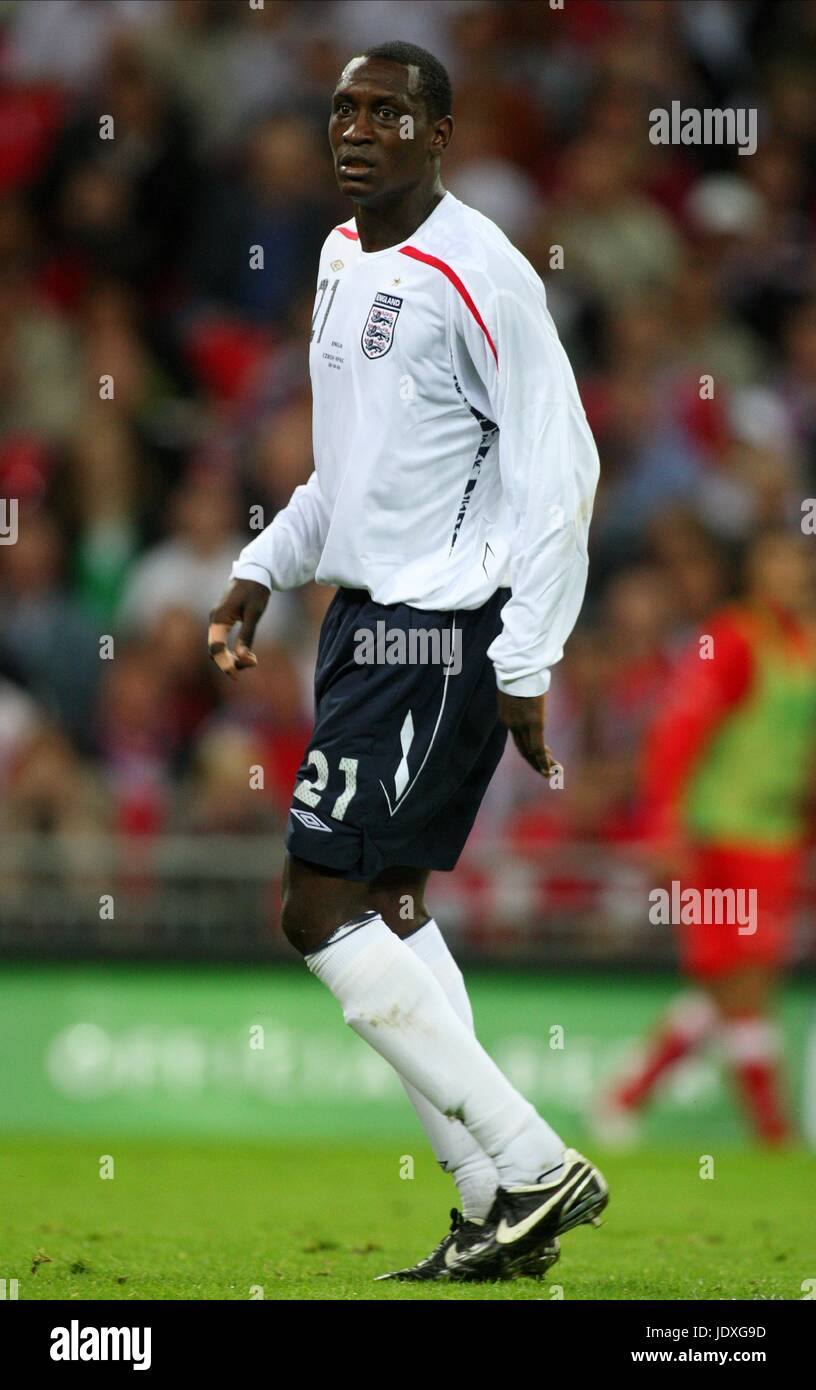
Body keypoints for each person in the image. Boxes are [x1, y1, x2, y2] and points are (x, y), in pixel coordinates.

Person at [208, 41, 605, 1282]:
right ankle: (497, 1206)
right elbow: (351, 479)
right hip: (363, 623)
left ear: (440, 134)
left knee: (312, 907)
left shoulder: (479, 270)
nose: (358, 128)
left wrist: (528, 655)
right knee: (387, 908)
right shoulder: (337, 258)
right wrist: (261, 568)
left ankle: (532, 1162)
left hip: (440, 636)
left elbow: (564, 467)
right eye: (344, 108)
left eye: (389, 111)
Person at [600, 531, 816, 1145]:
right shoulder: (730, 640)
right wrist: (664, 822)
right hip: (718, 836)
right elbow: (676, 732)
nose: (793, 576)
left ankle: (626, 1097)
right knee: (742, 983)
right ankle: (773, 1133)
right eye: (779, 562)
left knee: (735, 983)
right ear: (754, 572)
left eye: (800, 564)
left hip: (776, 839)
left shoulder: (803, 645)